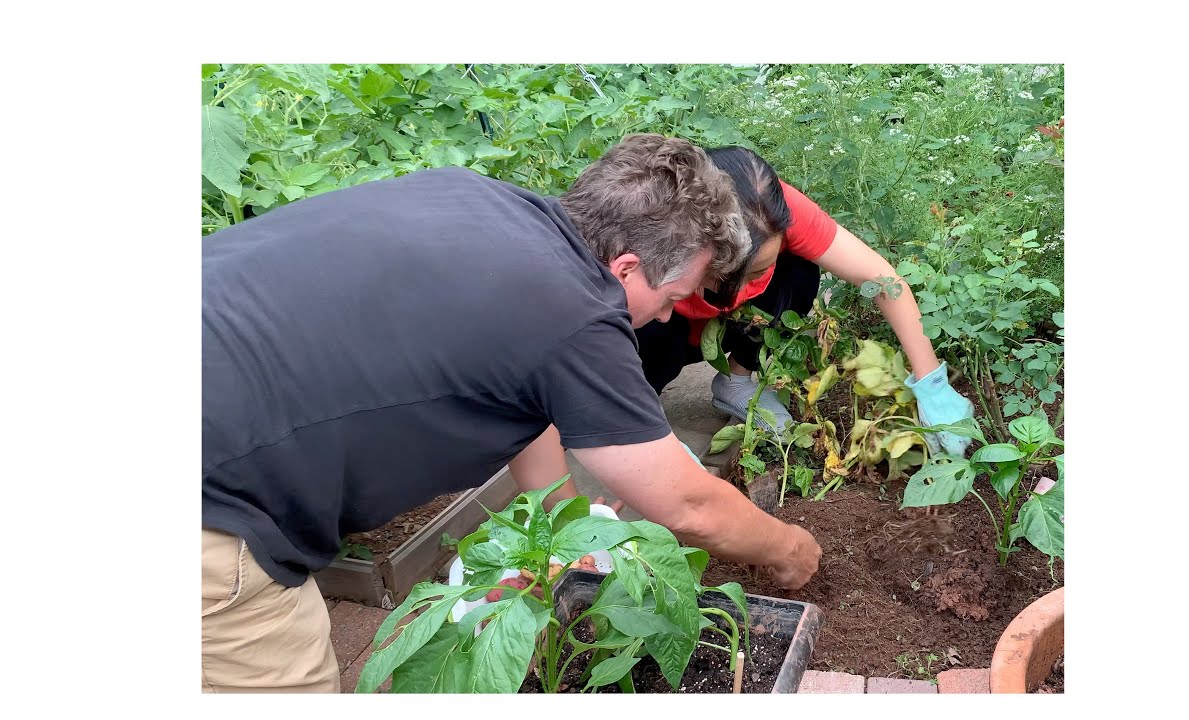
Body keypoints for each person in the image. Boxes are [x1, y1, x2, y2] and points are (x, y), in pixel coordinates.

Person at [202, 134, 823, 693]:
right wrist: (788, 549)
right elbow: (690, 506)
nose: (666, 318)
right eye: (674, 298)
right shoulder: (578, 312)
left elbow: (525, 403)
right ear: (627, 267)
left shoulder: (475, 197)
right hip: (214, 495)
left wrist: (569, 527)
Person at [635, 146, 975, 455]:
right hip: (669, 328)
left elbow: (883, 281)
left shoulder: (770, 210)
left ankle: (736, 382)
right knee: (651, 339)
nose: (743, 289)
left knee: (800, 270)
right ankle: (643, 412)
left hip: (727, 325)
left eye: (757, 271)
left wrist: (933, 385)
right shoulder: (653, 235)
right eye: (734, 275)